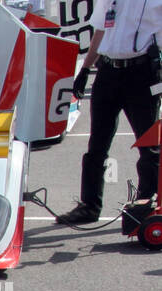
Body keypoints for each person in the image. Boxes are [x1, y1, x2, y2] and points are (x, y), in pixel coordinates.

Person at [57, 0, 162, 225]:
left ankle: (146, 205)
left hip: (142, 74)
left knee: (149, 146)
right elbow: (101, 30)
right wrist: (85, 68)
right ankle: (89, 206)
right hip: (108, 73)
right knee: (97, 144)